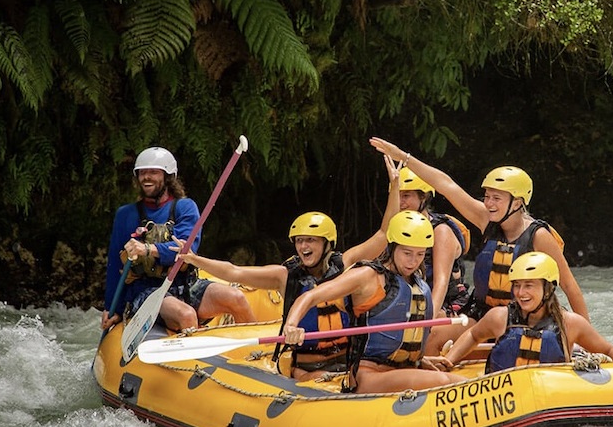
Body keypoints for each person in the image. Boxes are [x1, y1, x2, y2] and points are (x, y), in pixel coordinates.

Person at [171, 155, 402, 381]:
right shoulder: (285, 276)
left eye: (311, 240)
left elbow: (383, 234)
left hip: (346, 361)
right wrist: (195, 259)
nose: (303, 246)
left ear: (327, 243)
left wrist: (394, 187)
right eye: (299, 240)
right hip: (307, 367)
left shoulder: (345, 264)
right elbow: (234, 272)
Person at [369, 137, 588, 350]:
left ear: (517, 203)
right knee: (427, 339)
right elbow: (446, 185)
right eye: (487, 196)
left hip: (523, 318)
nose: (488, 203)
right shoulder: (486, 221)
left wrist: (584, 339)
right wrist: (403, 157)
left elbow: (570, 287)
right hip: (483, 316)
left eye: (496, 198)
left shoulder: (538, 236)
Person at [282, 210, 465, 393]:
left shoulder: (417, 282)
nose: (413, 261)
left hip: (401, 370)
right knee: (445, 381)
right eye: (407, 253)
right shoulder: (368, 276)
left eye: (420, 254)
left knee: (453, 377)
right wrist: (291, 325)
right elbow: (309, 297)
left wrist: (418, 360)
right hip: (369, 376)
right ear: (392, 247)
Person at [101, 147, 255, 332]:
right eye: (142, 173)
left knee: (235, 298)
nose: (146, 177)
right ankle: (193, 359)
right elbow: (114, 265)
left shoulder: (185, 207)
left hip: (185, 284)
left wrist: (148, 249)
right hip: (146, 290)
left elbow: (184, 249)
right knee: (186, 315)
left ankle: (256, 354)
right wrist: (112, 308)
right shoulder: (126, 214)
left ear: (167, 177)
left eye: (154, 172)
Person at [440, 252, 613, 373]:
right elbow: (473, 335)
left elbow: (607, 350)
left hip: (550, 398)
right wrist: (450, 360)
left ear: (548, 288)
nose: (520, 293)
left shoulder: (571, 324)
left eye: (529, 286)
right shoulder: (500, 317)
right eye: (517, 286)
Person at [397, 167, 472, 319]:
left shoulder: (441, 231)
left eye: (406, 196)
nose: (400, 202)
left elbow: (441, 284)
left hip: (446, 305)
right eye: (396, 196)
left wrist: (425, 323)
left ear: (423, 197)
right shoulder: (396, 229)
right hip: (411, 303)